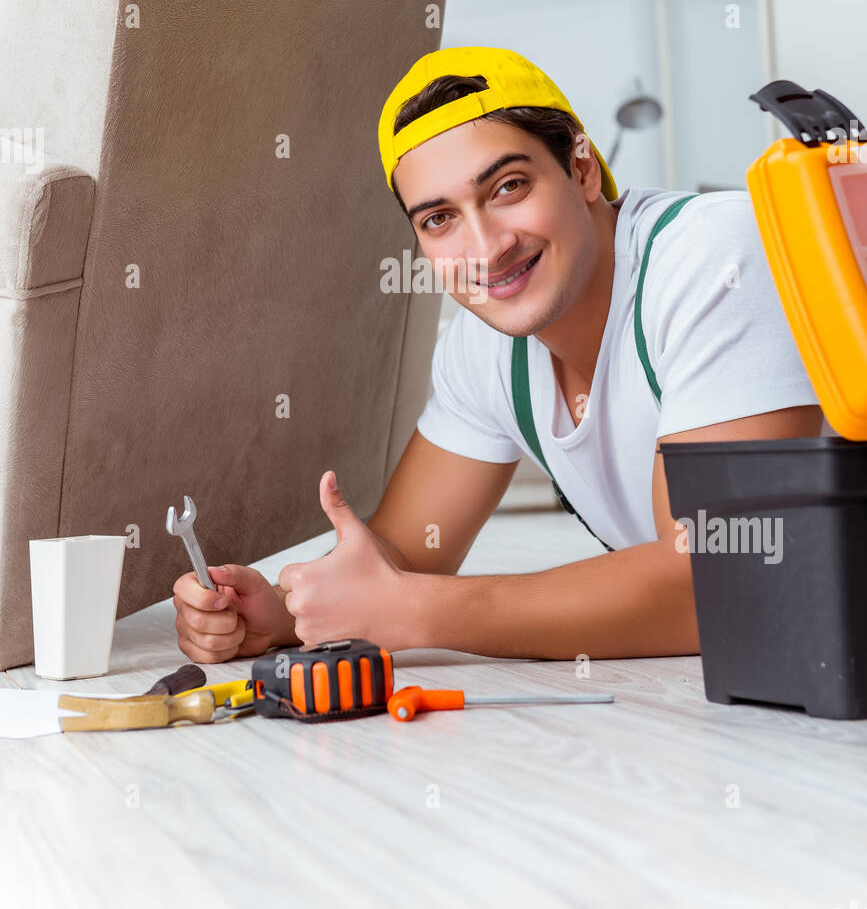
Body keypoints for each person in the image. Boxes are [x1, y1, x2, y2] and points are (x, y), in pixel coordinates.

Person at [173, 47, 822, 662]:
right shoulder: (481, 347)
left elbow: (726, 578)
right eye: (439, 219)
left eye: (508, 187)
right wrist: (288, 613)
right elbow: (406, 554)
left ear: (582, 169)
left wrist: (419, 613)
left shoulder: (716, 258)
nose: (485, 249)